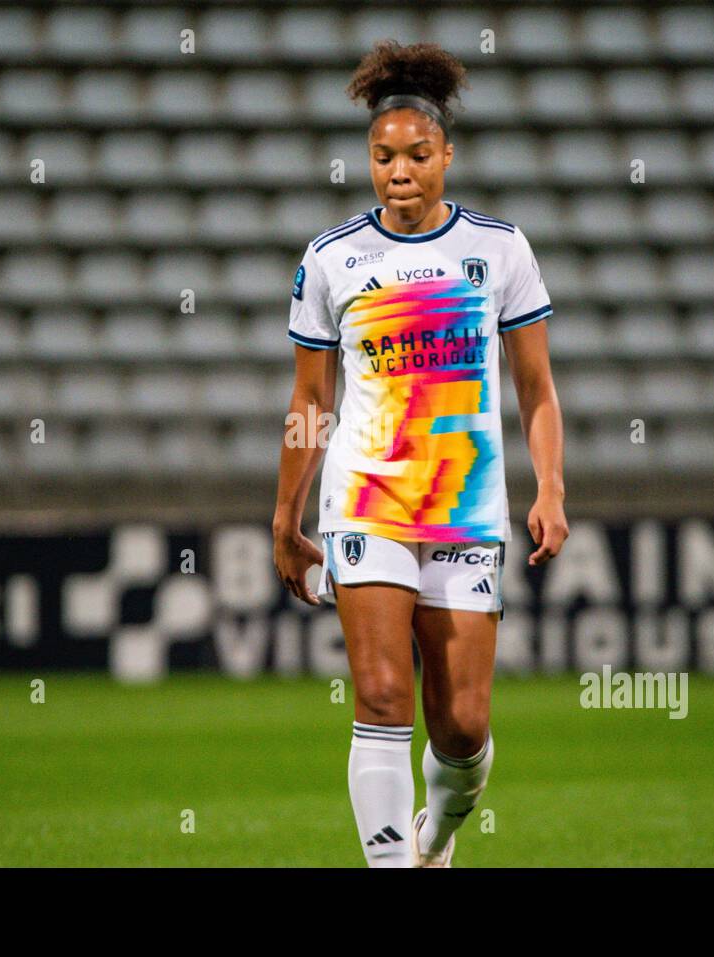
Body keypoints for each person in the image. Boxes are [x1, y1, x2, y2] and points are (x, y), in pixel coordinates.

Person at [272, 40, 569, 867]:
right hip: (366, 498)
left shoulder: (499, 249)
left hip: (466, 507)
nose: (398, 171)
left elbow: (536, 388)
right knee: (379, 694)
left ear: (447, 155)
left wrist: (550, 488)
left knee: (464, 729)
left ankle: (434, 837)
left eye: (415, 155)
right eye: (381, 156)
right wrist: (285, 514)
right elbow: (310, 400)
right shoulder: (332, 259)